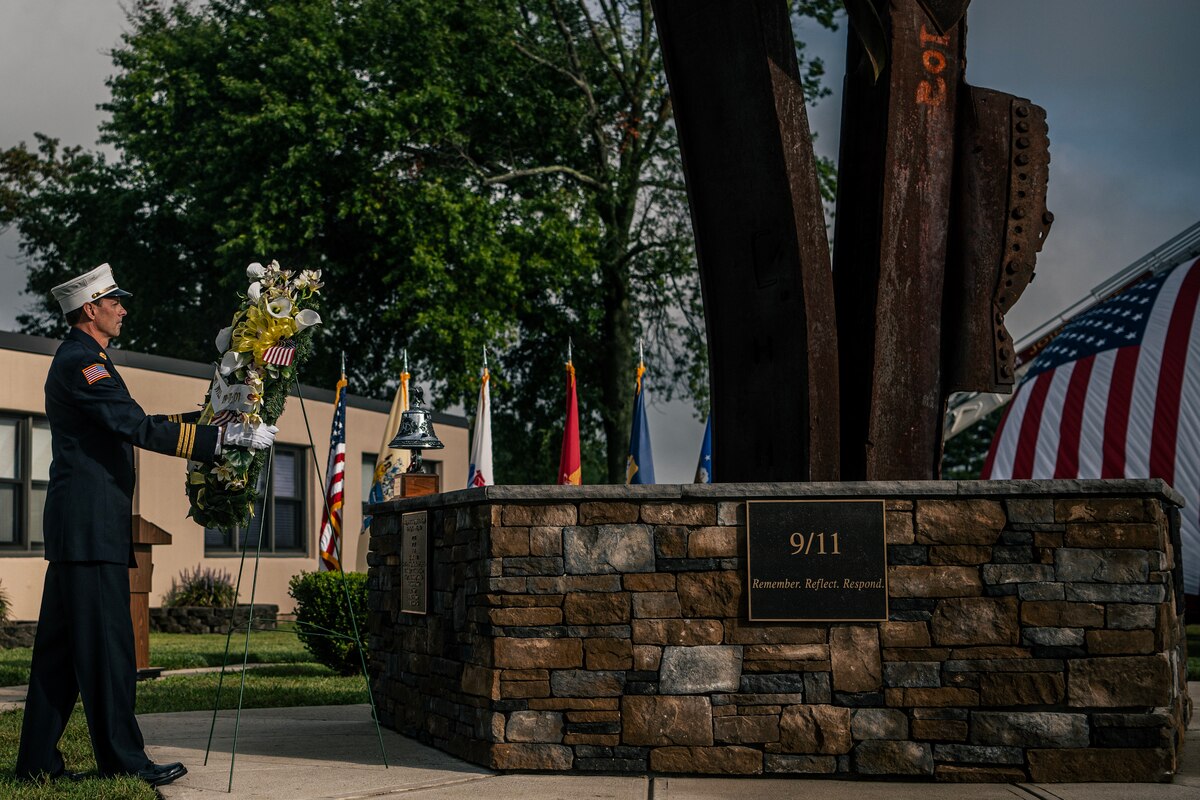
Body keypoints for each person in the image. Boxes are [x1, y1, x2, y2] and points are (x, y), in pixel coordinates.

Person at [16, 263, 277, 787]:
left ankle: (37, 765)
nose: (122, 310)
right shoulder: (82, 362)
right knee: (109, 652)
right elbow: (134, 426)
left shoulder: (85, 359)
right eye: (114, 301)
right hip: (91, 531)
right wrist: (218, 442)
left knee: (59, 657)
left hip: (81, 531)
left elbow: (136, 420)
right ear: (90, 308)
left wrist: (214, 422)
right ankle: (125, 762)